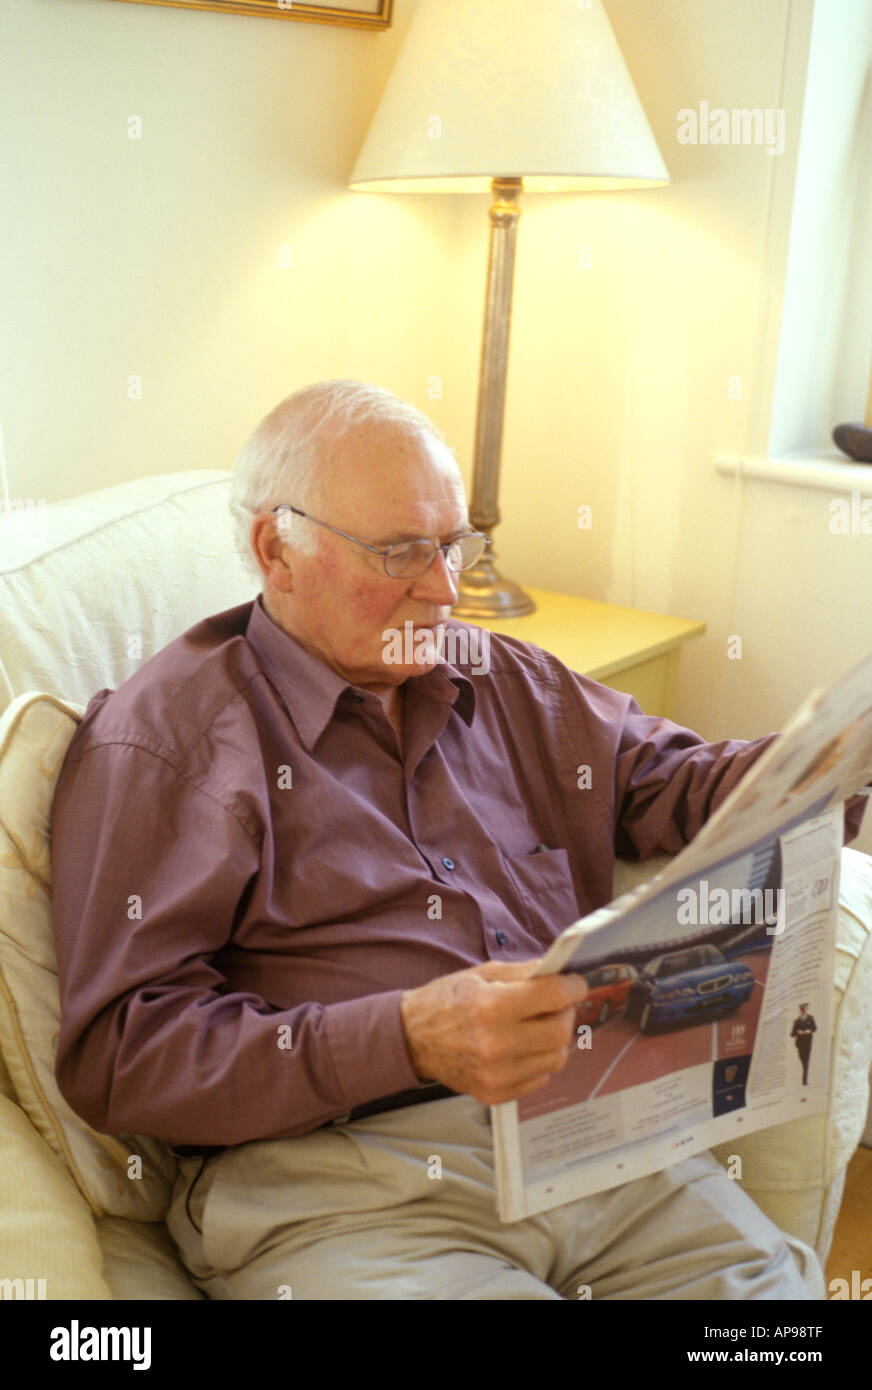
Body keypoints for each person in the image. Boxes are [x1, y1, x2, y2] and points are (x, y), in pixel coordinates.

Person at [50, 380, 866, 1301]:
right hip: (346, 1184)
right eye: (400, 552)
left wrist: (842, 755)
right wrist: (405, 1039)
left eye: (451, 545)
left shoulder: (504, 679)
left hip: (595, 1142)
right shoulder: (171, 744)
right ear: (276, 548)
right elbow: (121, 1054)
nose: (443, 589)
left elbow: (685, 787)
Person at [791, 1004, 817, 1086]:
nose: (803, 1011)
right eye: (802, 1009)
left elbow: (814, 1028)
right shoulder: (797, 1021)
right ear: (800, 1010)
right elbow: (792, 1034)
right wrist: (797, 1031)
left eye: (805, 1009)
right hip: (800, 1043)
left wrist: (809, 1031)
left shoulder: (810, 1018)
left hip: (808, 1042)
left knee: (806, 1061)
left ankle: (804, 1081)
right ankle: (804, 1075)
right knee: (802, 1060)